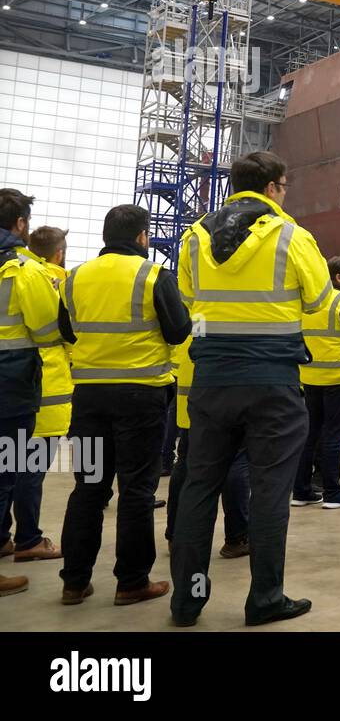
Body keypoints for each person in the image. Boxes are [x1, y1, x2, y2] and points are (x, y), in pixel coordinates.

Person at [170, 151, 332, 627]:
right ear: (271, 189)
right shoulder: (291, 236)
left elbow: (185, 300)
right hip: (272, 384)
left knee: (200, 487)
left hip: (212, 380)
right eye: (284, 185)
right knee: (269, 490)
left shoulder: (195, 236)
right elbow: (321, 302)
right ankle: (263, 599)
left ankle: (187, 601)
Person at [58, 204, 190, 606]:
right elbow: (179, 329)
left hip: (89, 399)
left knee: (89, 488)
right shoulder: (152, 275)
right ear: (141, 237)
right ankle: (132, 581)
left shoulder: (75, 277)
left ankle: (75, 582)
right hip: (141, 398)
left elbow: (68, 330)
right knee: (136, 490)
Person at [0, 189, 62, 599]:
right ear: (20, 224)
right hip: (12, 383)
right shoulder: (23, 272)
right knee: (7, 472)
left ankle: (5, 538)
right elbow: (47, 330)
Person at [165, 334, 251, 558]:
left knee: (186, 463)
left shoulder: (190, 301)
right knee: (235, 461)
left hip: (190, 385)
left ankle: (177, 537)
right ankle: (237, 537)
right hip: (227, 384)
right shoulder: (231, 303)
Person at [292, 255, 340, 510]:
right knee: (335, 435)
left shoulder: (307, 303)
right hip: (339, 378)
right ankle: (333, 491)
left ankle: (301, 490)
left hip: (310, 377)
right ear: (338, 278)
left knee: (309, 433)